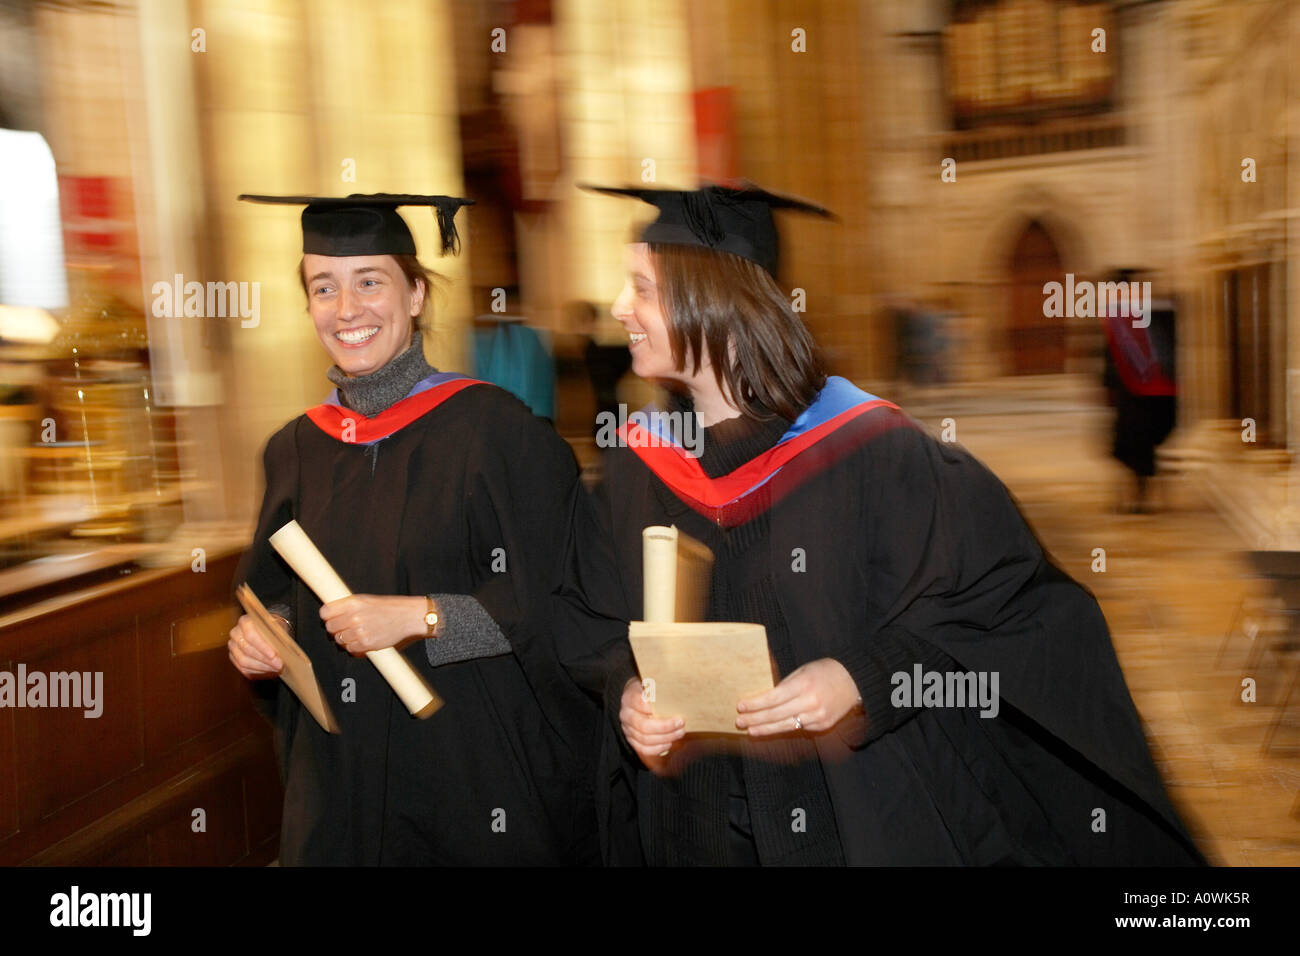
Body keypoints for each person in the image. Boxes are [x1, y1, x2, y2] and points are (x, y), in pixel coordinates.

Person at [578, 182, 1205, 865]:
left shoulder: (871, 452)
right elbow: (592, 620)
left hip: (847, 824)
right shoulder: (636, 466)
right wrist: (630, 693)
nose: (619, 308)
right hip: (692, 830)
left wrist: (861, 679)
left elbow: (999, 611)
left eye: (641, 288)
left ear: (715, 298)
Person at [227, 192, 606, 865]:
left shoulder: (498, 433)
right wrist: (266, 635)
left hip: (473, 778)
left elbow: (560, 609)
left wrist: (424, 617)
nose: (346, 309)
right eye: (324, 287)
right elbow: (274, 594)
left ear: (416, 295)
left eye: (370, 282)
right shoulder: (294, 451)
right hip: (340, 779)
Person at [1101, 268, 1177, 514]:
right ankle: (1135, 496)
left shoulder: (1151, 313)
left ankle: (1139, 497)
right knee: (1128, 447)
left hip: (1148, 397)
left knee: (1138, 447)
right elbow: (1110, 356)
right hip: (1131, 395)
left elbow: (1165, 352)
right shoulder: (1119, 316)